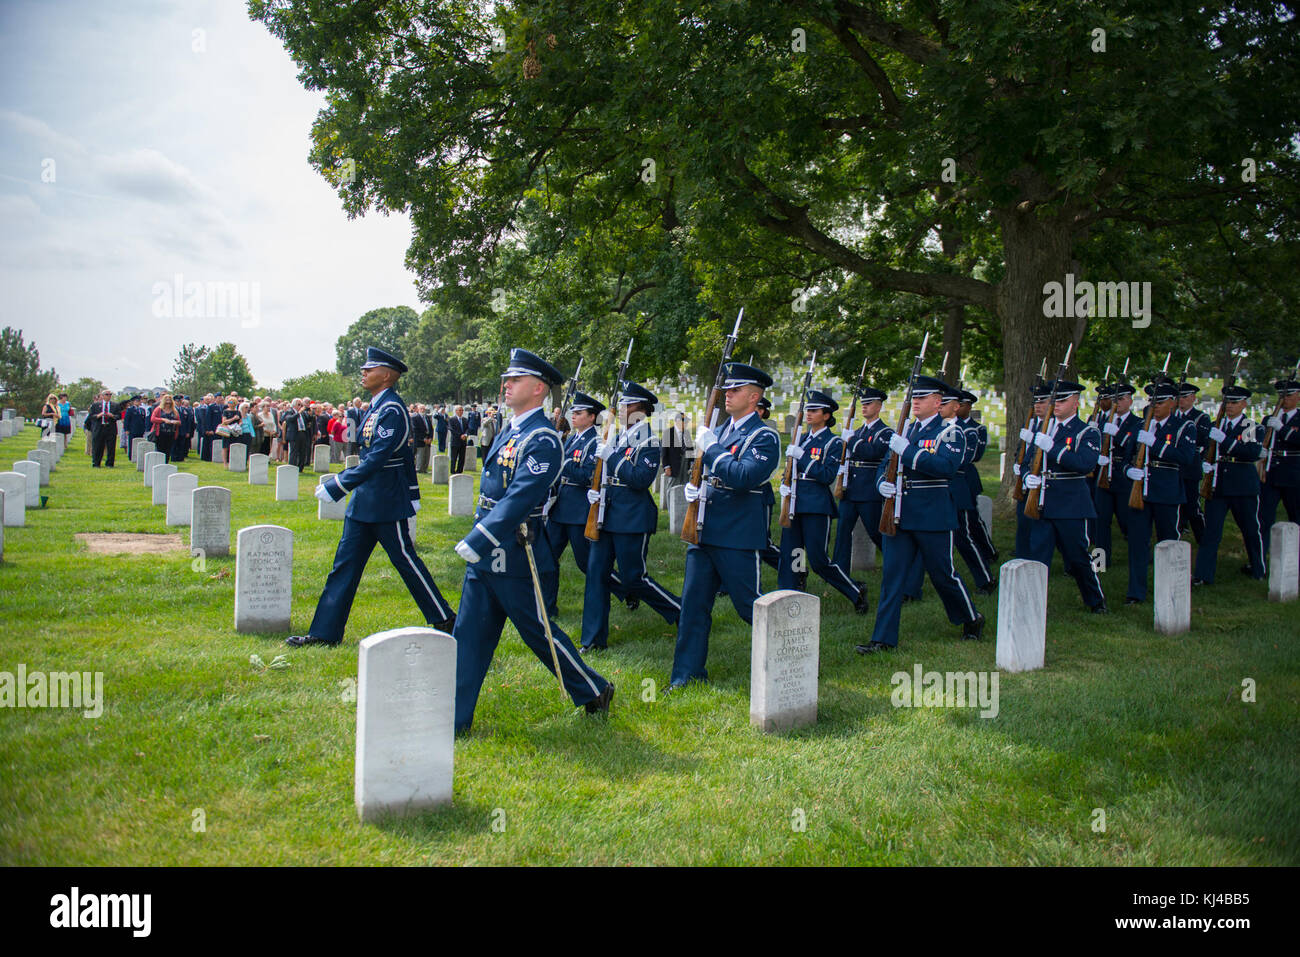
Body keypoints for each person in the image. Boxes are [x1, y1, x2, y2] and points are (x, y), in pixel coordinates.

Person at [452, 348, 614, 732]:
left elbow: (520, 497)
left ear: (538, 388)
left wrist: (480, 536)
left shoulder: (542, 438)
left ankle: (594, 688)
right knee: (468, 635)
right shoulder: (513, 428)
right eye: (506, 379)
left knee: (539, 634)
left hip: (514, 550)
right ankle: (454, 717)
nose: (506, 385)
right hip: (488, 552)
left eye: (515, 380)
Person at [287, 348, 456, 648]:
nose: (363, 372)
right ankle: (324, 632)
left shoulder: (392, 409)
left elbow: (379, 457)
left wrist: (339, 484)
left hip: (386, 501)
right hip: (366, 500)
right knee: (344, 565)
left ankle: (445, 619)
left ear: (387, 375)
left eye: (370, 368)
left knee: (406, 562)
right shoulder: (377, 407)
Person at [668, 362, 780, 691]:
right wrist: (697, 487)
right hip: (705, 529)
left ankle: (791, 656)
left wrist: (712, 449)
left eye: (736, 390)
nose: (728, 395)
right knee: (693, 606)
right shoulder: (721, 430)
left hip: (737, 533)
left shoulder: (764, 436)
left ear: (754, 396)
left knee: (749, 606)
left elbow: (744, 477)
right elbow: (712, 471)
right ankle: (685, 676)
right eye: (727, 389)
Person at [857, 376, 985, 654]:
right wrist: (882, 483)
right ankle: (883, 639)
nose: (915, 402)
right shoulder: (905, 431)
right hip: (899, 513)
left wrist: (909, 453)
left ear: (938, 402)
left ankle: (971, 617)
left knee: (943, 575)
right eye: (914, 397)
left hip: (932, 515)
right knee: (892, 577)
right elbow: (883, 465)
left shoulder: (950, 433)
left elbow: (946, 467)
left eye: (922, 397)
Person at [579, 381, 682, 651]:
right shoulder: (616, 436)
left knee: (633, 578)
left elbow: (639, 479)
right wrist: (596, 489)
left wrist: (612, 457)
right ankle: (593, 639)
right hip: (607, 513)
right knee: (596, 574)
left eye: (626, 404)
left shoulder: (650, 440)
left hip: (632, 516)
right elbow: (603, 470)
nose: (620, 408)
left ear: (640, 408)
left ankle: (678, 610)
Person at [543, 391, 635, 617]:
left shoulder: (595, 441)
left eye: (579, 413)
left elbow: (588, 475)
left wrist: (563, 462)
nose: (573, 416)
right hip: (560, 508)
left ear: (592, 417)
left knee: (586, 564)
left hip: (579, 510)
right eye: (572, 412)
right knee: (547, 557)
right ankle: (547, 607)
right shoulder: (571, 438)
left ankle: (627, 589)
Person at [777, 389, 870, 612]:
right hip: (794, 503)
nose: (808, 413)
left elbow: (827, 475)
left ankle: (855, 591)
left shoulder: (833, 443)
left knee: (819, 560)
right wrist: (784, 482)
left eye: (814, 410)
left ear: (826, 415)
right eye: (807, 410)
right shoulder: (801, 439)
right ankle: (791, 594)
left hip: (816, 506)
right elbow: (790, 470)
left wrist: (803, 457)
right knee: (793, 554)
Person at [1022, 378, 1108, 613]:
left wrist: (1054, 448)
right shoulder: (1044, 428)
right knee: (1038, 556)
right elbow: (1027, 461)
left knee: (1078, 557)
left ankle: (1095, 599)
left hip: (1071, 503)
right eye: (1054, 399)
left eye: (1062, 399)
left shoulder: (1086, 431)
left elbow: (1084, 464)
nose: (1056, 404)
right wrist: (1028, 476)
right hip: (1042, 503)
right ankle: (1034, 603)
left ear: (1076, 402)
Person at [1120, 380, 1198, 604]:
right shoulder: (1140, 426)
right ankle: (1136, 592)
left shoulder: (1185, 427)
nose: (1155, 406)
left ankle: (1172, 587)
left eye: (1160, 401)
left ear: (1172, 403)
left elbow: (1186, 458)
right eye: (1152, 401)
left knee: (1169, 542)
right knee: (1137, 544)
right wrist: (1129, 471)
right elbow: (1126, 459)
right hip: (1140, 492)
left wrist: (1156, 444)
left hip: (1167, 492)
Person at [1193, 384, 1265, 585]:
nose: (1230, 406)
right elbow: (1205, 448)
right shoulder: (1217, 425)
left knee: (1250, 529)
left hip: (1243, 485)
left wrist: (1226, 441)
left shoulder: (1249, 426)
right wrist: (1205, 463)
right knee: (1211, 532)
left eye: (1234, 402)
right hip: (1218, 485)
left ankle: (1258, 569)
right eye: (1226, 402)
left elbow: (1250, 452)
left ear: (1243, 404)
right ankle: (1203, 575)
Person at [1093, 380, 1141, 568]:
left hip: (1124, 477)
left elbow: (1133, 446)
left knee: (1128, 521)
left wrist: (1117, 435)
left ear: (1130, 400)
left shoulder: (1137, 423)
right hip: (1104, 474)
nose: (1117, 403)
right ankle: (1100, 562)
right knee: (1100, 522)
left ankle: (1138, 557)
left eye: (1121, 399)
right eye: (1114, 399)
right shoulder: (1104, 421)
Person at [1257, 377, 1300, 563]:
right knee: (1264, 517)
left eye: (1289, 395)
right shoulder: (1270, 418)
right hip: (1271, 472)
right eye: (1281, 395)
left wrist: (1283, 429)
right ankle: (1260, 558)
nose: (1284, 399)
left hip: (1294, 472)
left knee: (1296, 516)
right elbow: (1260, 440)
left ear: (1298, 396)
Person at [1012, 383, 1052, 560]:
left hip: (1046, 484)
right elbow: (1021, 450)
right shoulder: (1031, 424)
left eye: (1042, 402)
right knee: (1024, 525)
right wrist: (1019, 466)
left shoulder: (1052, 426)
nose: (1038, 405)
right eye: (1036, 402)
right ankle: (1023, 557)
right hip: (1027, 481)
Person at [1175, 382, 1210, 541]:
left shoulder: (1201, 417)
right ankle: (1177, 533)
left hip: (1190, 466)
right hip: (1174, 465)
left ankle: (1202, 537)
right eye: (1179, 397)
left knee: (1192, 506)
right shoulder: (1173, 416)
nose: (1181, 400)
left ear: (1193, 398)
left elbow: (1202, 439)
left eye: (1185, 397)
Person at [87, 389, 120, 467]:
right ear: (102, 396)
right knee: (98, 446)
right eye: (106, 394)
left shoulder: (115, 405)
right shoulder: (95, 405)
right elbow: (91, 416)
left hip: (110, 427)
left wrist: (112, 416)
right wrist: (98, 415)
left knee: (111, 447)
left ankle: (110, 463)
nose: (108, 396)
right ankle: (96, 463)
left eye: (110, 394)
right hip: (99, 427)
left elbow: (118, 416)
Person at [150, 393, 182, 460]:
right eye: (166, 401)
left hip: (171, 433)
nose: (168, 403)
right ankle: (159, 463)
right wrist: (163, 420)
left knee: (168, 451)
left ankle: (166, 465)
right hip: (160, 433)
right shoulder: (158, 409)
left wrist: (176, 422)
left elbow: (179, 422)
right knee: (160, 450)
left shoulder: (174, 411)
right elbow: (152, 419)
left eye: (169, 401)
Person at [449, 405, 470, 474]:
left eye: (462, 410)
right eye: (459, 410)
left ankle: (459, 471)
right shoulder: (452, 420)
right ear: (456, 411)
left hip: (463, 441)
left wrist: (465, 435)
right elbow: (452, 429)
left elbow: (467, 428)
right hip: (455, 441)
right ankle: (452, 470)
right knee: (454, 458)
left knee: (462, 458)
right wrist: (460, 435)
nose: (461, 412)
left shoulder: (465, 420)